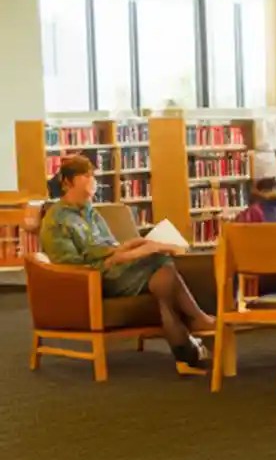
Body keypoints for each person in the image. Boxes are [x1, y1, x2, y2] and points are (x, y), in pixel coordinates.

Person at [39, 155, 214, 374]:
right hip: (92, 279)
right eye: (86, 175)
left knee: (164, 278)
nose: (93, 180)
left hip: (113, 270)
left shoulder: (91, 212)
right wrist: (124, 256)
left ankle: (185, 356)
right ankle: (199, 322)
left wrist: (134, 245)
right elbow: (69, 264)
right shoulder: (56, 219)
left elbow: (108, 245)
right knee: (159, 262)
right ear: (68, 182)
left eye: (93, 175)